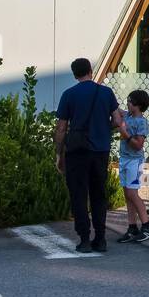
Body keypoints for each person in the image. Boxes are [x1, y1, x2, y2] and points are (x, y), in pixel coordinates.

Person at [55, 57, 123, 253]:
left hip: (77, 152)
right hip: (100, 151)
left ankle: (84, 239)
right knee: (98, 195)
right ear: (90, 71)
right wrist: (103, 126)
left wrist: (59, 154)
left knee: (78, 194)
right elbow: (118, 120)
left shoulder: (69, 94)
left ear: (75, 74)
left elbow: (61, 128)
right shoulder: (106, 92)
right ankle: (100, 239)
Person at [116, 90, 149, 243]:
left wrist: (126, 135)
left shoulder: (141, 122)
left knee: (133, 194)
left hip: (135, 162)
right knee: (127, 194)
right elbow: (118, 109)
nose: (128, 103)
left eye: (130, 101)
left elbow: (138, 145)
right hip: (124, 159)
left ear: (137, 105)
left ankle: (147, 226)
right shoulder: (127, 116)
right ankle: (132, 227)